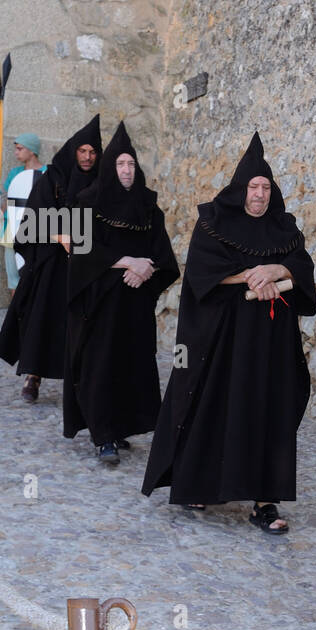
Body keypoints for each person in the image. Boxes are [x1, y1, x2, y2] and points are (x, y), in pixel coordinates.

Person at [142, 132, 316, 530]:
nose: (259, 194)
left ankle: (265, 503)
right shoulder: (213, 223)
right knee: (215, 405)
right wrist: (250, 278)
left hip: (271, 341)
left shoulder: (286, 228)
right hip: (223, 339)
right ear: (240, 189)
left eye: (266, 187)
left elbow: (302, 269)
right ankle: (201, 486)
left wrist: (278, 270)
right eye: (253, 187)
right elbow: (202, 274)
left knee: (270, 412)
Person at [63, 122, 179, 465]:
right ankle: (103, 435)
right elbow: (80, 252)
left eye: (131, 164)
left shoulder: (148, 207)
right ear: (110, 167)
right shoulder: (87, 203)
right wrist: (127, 261)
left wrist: (147, 270)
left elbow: (164, 255)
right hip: (98, 301)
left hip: (136, 302)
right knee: (100, 364)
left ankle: (122, 425)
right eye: (120, 164)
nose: (127, 170)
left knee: (131, 363)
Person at [0, 117, 100, 402]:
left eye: (93, 152)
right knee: (42, 320)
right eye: (83, 151)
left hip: (85, 267)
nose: (88, 157)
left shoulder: (101, 181)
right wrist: (59, 237)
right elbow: (31, 223)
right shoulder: (54, 179)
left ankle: (79, 384)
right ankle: (33, 375)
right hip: (50, 264)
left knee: (81, 324)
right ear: (74, 151)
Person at [1, 133, 45, 293]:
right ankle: (17, 317)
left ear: (32, 150)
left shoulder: (48, 173)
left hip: (37, 230)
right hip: (12, 228)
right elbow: (8, 201)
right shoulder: (14, 173)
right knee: (14, 278)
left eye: (20, 149)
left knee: (34, 277)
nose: (16, 153)